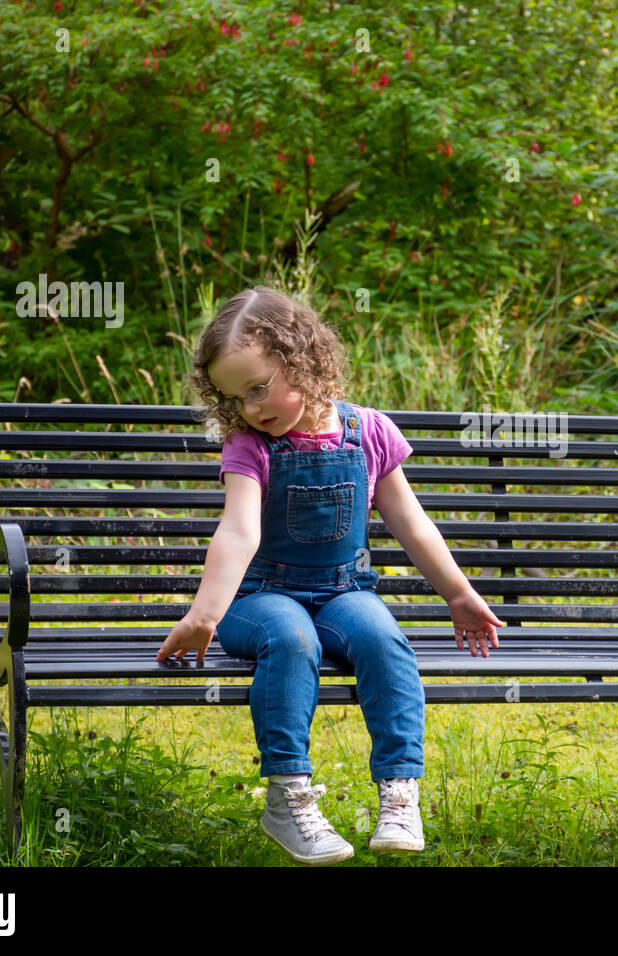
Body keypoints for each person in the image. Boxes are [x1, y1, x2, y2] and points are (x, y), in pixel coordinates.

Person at [156, 285, 506, 865]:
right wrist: (205, 616)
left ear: (301, 359)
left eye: (258, 388)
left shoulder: (367, 431)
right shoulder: (251, 449)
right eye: (236, 398)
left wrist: (460, 594)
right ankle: (287, 797)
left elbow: (412, 524)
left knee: (384, 640)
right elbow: (239, 532)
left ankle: (398, 793)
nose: (250, 408)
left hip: (344, 590)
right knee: (291, 639)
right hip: (260, 598)